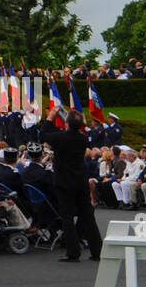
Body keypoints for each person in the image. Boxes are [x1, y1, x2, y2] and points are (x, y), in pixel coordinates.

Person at [39, 109, 103, 263]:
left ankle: (73, 252)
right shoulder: (82, 139)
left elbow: (44, 134)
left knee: (67, 217)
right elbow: (61, 134)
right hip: (80, 180)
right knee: (88, 216)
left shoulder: (61, 138)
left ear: (66, 123)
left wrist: (50, 117)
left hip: (64, 181)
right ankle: (97, 250)